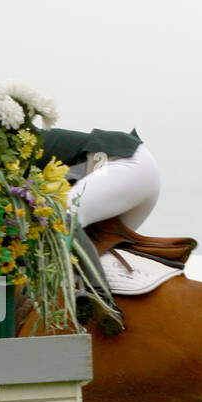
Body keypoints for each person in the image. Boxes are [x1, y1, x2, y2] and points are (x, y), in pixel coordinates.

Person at [39, 127, 163, 335]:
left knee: (62, 216)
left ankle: (102, 298)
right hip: (137, 172)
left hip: (127, 164)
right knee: (77, 241)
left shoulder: (8, 147)